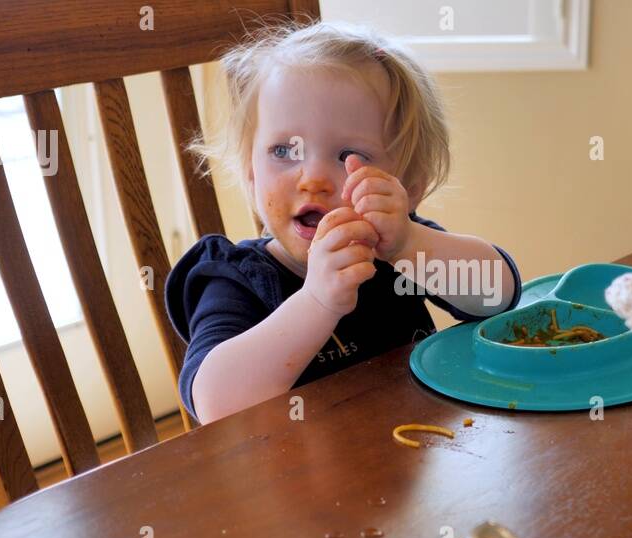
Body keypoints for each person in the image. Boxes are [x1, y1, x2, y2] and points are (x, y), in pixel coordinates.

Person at [165, 21, 521, 424]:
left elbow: (499, 294)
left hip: (411, 459)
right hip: (290, 480)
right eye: (283, 150)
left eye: (349, 154)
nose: (312, 178)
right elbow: (214, 404)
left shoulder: (396, 248)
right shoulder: (236, 278)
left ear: (408, 188)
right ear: (251, 173)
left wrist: (409, 245)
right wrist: (317, 301)